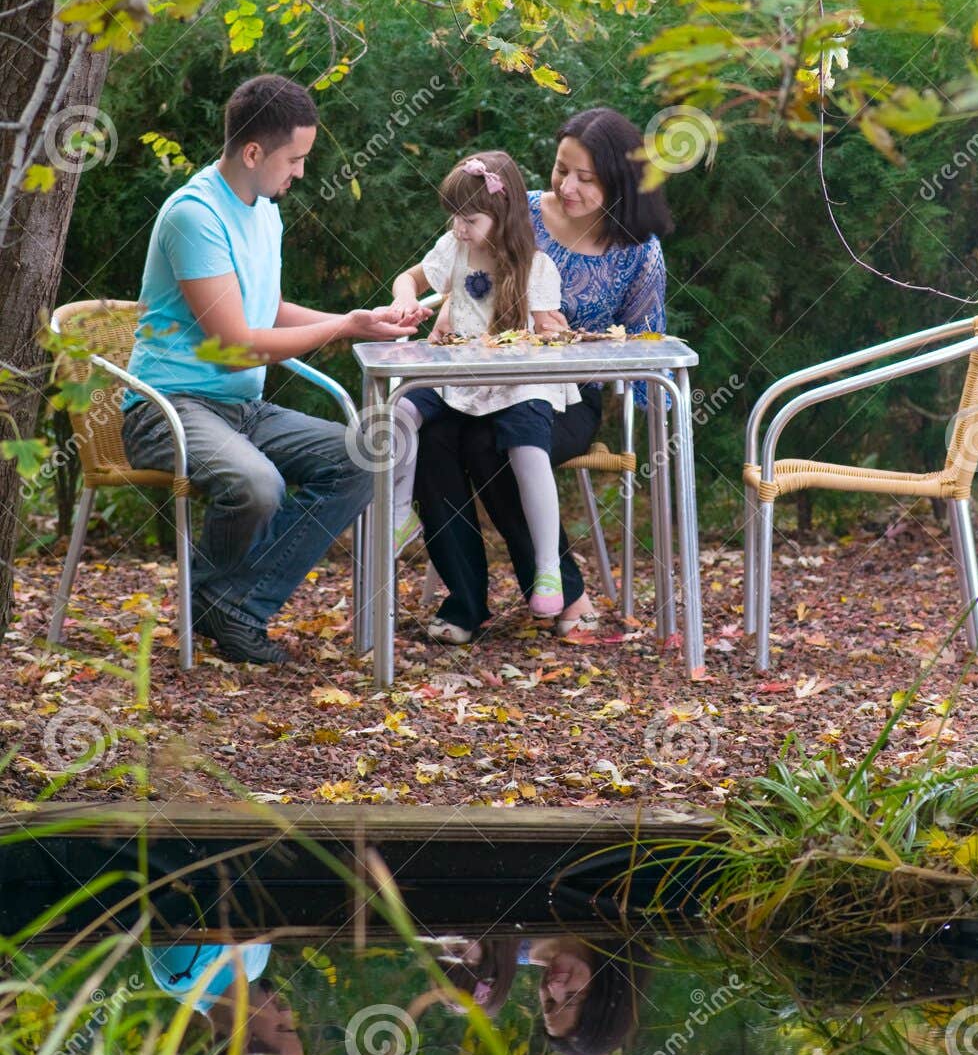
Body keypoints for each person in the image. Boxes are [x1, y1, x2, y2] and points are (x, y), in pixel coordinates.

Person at [121, 73, 421, 665]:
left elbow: (267, 308)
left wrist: (362, 317)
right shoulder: (195, 216)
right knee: (257, 485)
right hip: (168, 410)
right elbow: (234, 344)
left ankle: (232, 601)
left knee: (362, 455)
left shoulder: (262, 210)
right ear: (254, 152)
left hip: (240, 411)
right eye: (295, 158)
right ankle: (217, 600)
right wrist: (345, 327)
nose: (301, 173)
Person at [413, 108, 673, 643]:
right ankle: (466, 604)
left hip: (565, 396)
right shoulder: (518, 210)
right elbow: (458, 282)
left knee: (494, 444)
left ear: (619, 183)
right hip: (475, 382)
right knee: (432, 436)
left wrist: (571, 335)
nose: (567, 186)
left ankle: (562, 589)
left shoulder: (637, 252)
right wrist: (441, 314)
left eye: (586, 178)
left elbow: (646, 347)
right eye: (562, 169)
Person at [388, 151, 582, 636]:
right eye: (453, 216)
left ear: (503, 214)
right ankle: (396, 516)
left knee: (525, 445)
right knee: (402, 410)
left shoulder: (534, 267)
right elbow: (409, 278)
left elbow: (544, 332)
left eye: (470, 219)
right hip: (459, 381)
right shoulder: (453, 249)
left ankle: (547, 566)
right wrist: (407, 299)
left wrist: (552, 330)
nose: (459, 227)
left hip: (514, 385)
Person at [143, 941, 304, 1055]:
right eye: (293, 1028)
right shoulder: (255, 967)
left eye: (282, 1028)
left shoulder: (184, 970)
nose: (287, 1012)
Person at [528, 934, 649, 1055]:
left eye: (549, 1003)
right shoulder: (635, 919)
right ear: (606, 985)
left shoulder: (510, 944)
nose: (553, 986)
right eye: (571, 997)